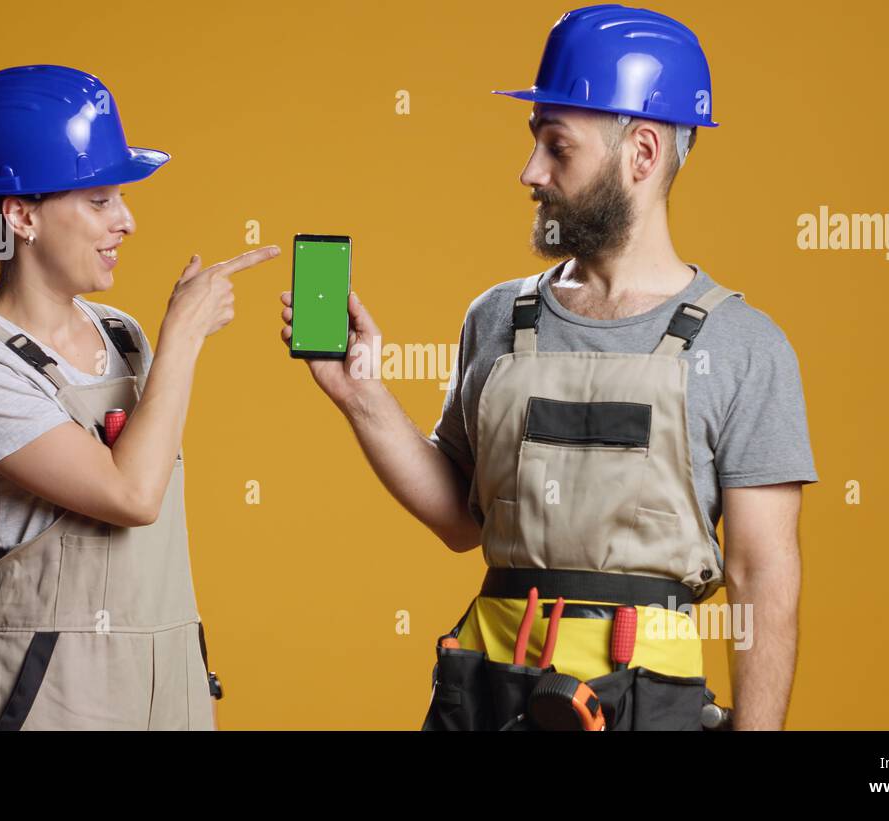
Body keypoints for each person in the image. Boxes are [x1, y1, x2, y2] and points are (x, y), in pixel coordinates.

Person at [279, 5, 817, 730]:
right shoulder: (499, 317)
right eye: (535, 142)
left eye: (557, 147)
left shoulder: (744, 345)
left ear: (643, 154)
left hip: (644, 704)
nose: (530, 171)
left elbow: (762, 577)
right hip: (488, 695)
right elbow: (461, 520)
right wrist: (361, 396)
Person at [0, 64, 280, 730]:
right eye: (100, 199)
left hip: (171, 693)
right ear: (20, 214)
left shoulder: (125, 337)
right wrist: (185, 337)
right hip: (47, 703)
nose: (128, 221)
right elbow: (130, 495)